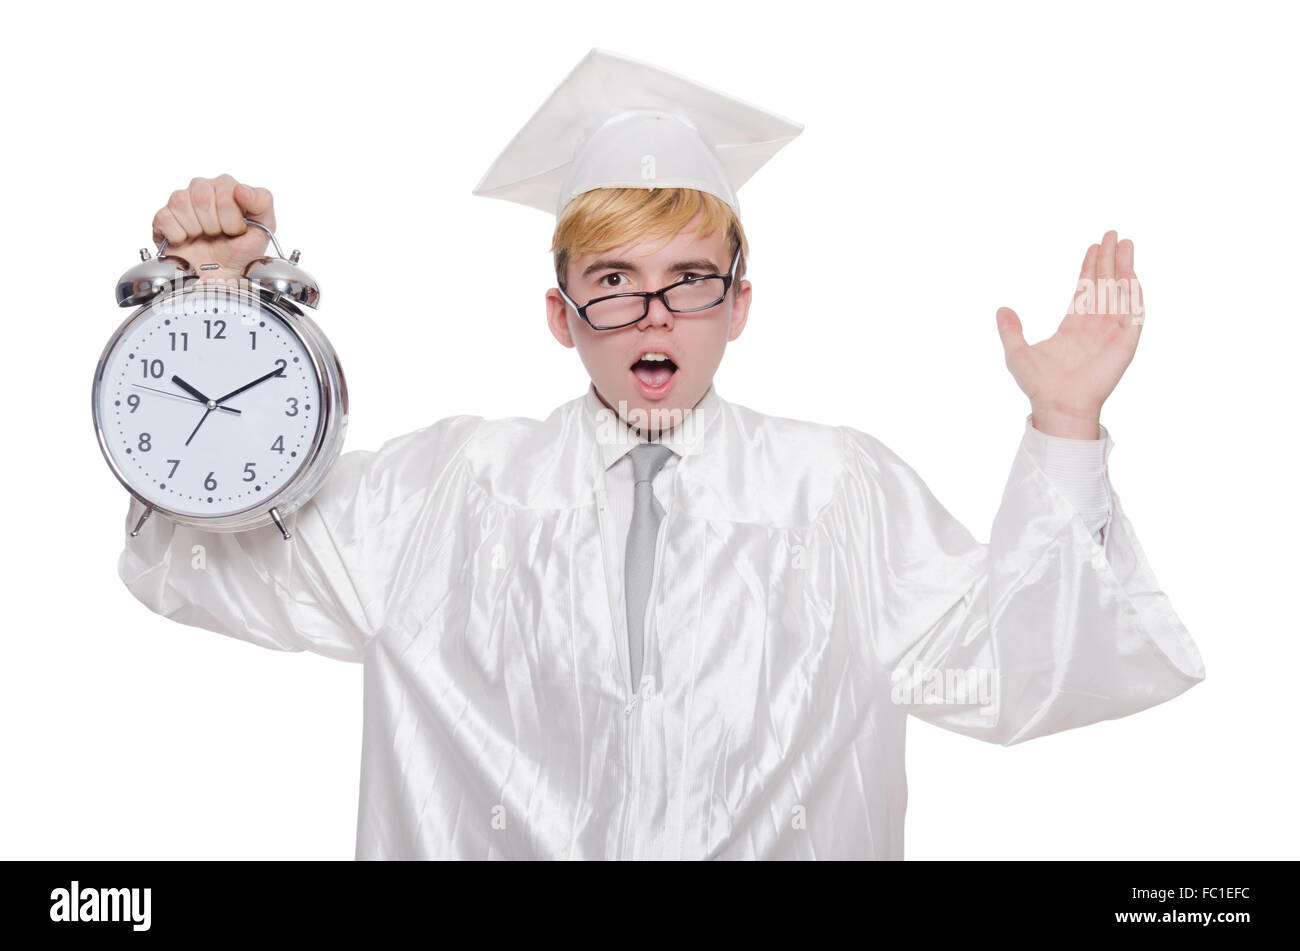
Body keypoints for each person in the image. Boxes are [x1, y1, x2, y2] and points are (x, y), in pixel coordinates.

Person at [119, 48, 1205, 860]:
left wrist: (1065, 428)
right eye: (614, 283)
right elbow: (207, 550)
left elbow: (1022, 670)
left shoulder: (839, 495)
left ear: (739, 307)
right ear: (560, 313)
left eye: (691, 280)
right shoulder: (444, 493)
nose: (654, 316)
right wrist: (214, 308)